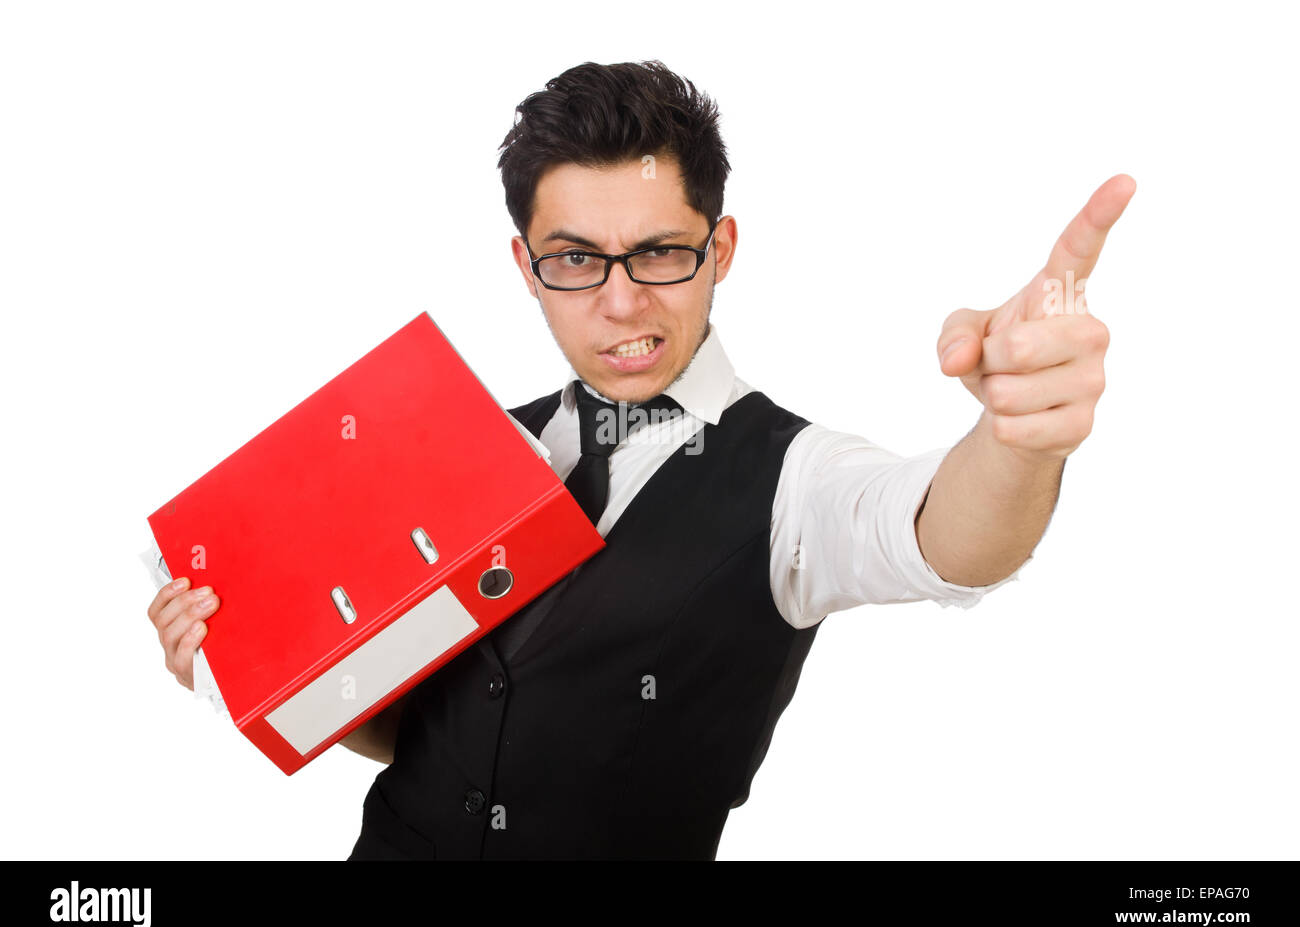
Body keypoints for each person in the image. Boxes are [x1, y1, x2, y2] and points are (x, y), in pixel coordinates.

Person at [146, 60, 1132, 859]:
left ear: (720, 247)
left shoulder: (792, 478)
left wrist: (1014, 441)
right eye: (575, 259)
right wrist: (243, 663)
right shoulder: (469, 441)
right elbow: (407, 731)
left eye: (659, 252)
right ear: (527, 268)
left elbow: (935, 531)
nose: (621, 302)